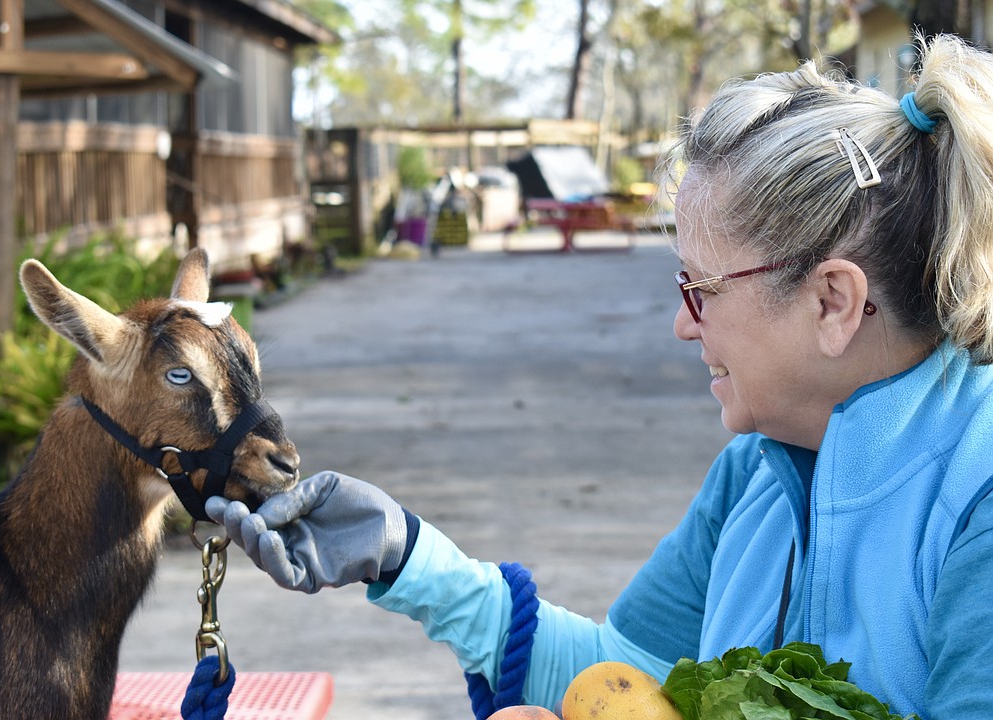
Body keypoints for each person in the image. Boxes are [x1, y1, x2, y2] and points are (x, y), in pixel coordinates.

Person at [206, 34, 993, 719]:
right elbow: (622, 679)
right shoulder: (754, 470)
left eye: (700, 288)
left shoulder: (978, 501)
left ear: (832, 301)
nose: (683, 324)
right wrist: (408, 558)